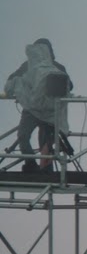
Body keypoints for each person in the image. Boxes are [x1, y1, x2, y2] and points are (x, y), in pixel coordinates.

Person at [4, 38, 73, 172]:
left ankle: (46, 169)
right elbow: (12, 79)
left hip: (48, 111)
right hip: (31, 109)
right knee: (23, 136)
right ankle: (30, 164)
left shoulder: (57, 67)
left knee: (45, 142)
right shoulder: (27, 65)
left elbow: (68, 85)